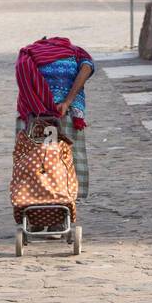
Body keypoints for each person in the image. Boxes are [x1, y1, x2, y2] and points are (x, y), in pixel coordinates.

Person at [15, 37, 95, 198]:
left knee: (33, 157)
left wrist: (40, 107)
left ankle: (32, 196)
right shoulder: (76, 52)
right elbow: (88, 67)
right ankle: (69, 196)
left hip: (33, 115)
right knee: (70, 157)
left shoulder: (27, 55)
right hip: (66, 113)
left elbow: (23, 78)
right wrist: (67, 101)